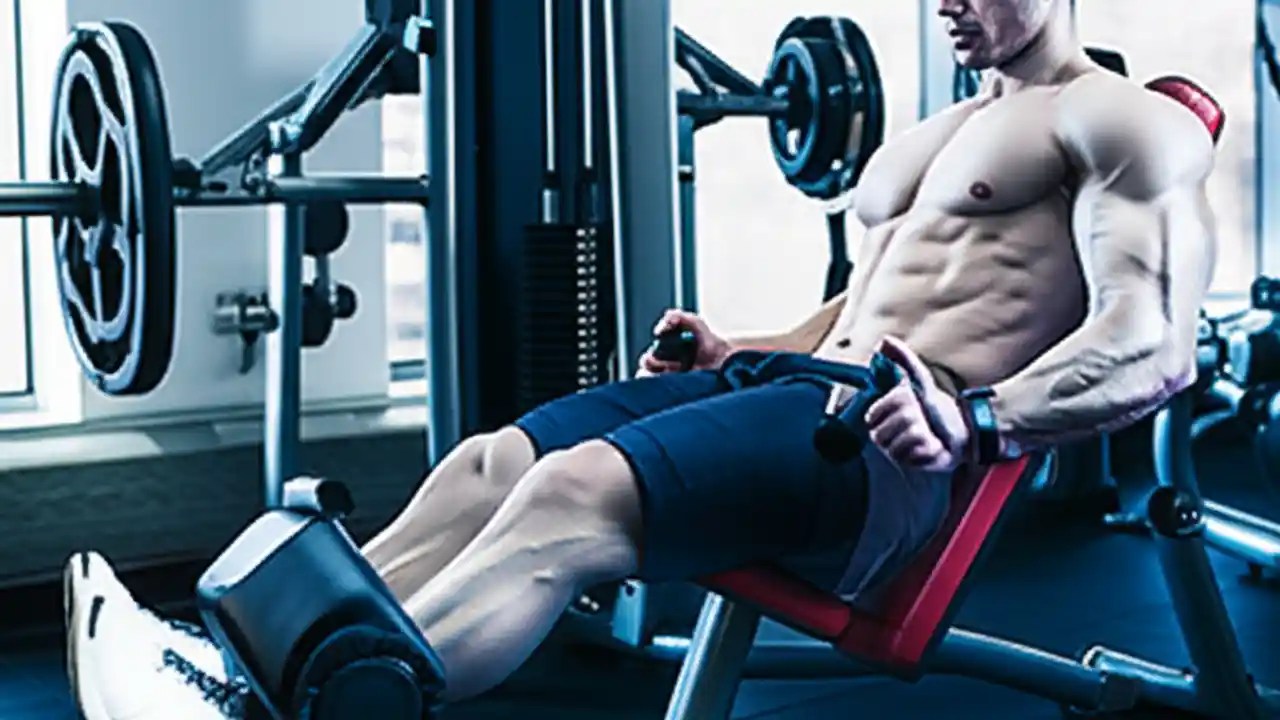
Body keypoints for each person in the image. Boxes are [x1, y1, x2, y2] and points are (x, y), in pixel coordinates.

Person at [63, 0, 1218, 717]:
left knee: (567, 498)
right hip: (794, 390)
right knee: (486, 465)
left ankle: (317, 707)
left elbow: (1150, 344)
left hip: (885, 446)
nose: (945, 3)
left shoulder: (1119, 121)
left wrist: (980, 418)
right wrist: (740, 346)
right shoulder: (937, 135)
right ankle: (241, 671)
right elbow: (857, 309)